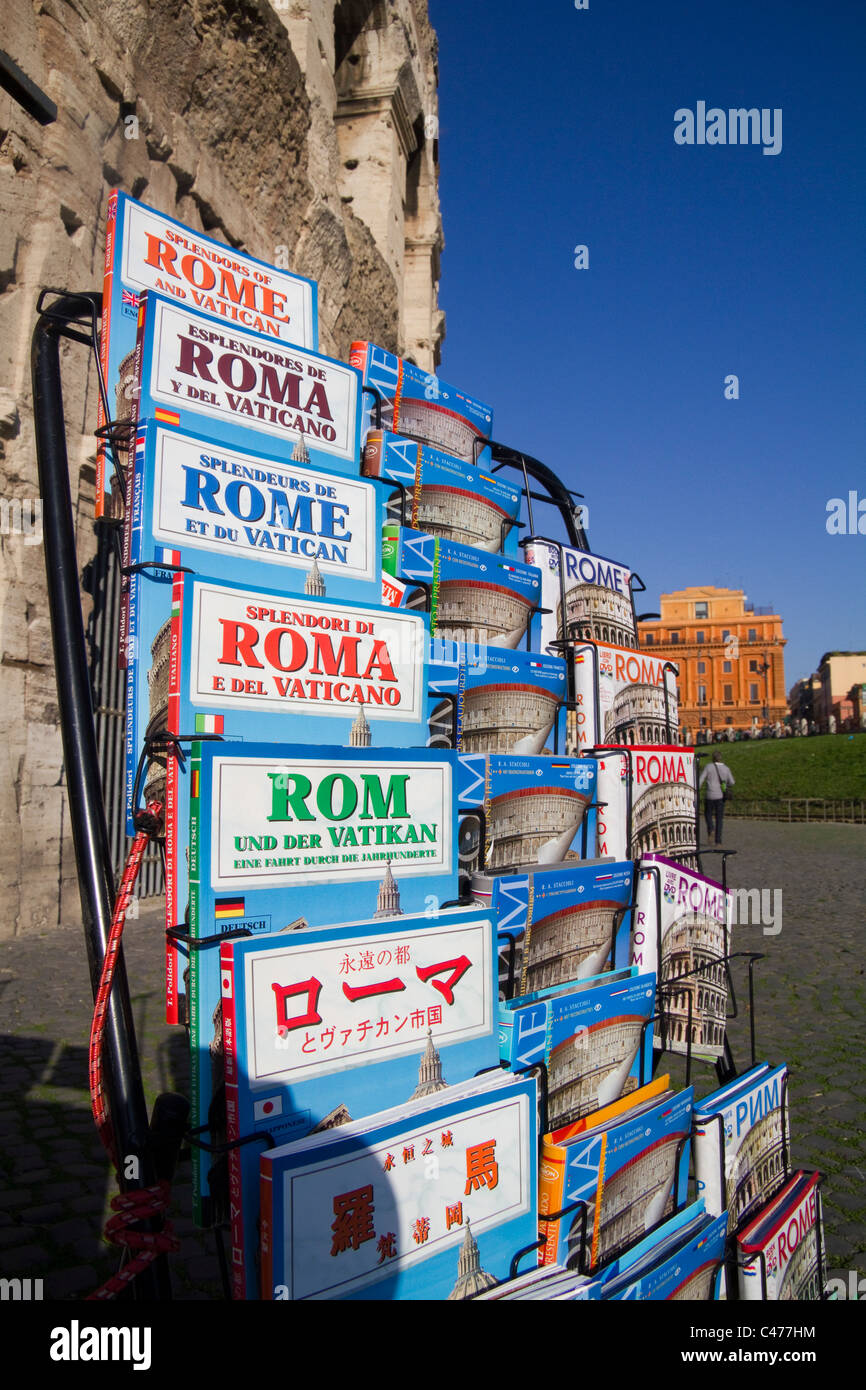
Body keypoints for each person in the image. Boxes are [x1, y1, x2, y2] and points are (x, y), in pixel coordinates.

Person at [699, 752, 734, 844]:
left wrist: (697, 789)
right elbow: (732, 782)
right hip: (720, 796)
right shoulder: (726, 769)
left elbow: (701, 780)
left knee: (708, 814)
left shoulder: (708, 767)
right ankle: (718, 841)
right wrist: (724, 784)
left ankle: (711, 829)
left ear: (713, 758)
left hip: (709, 795)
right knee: (719, 818)